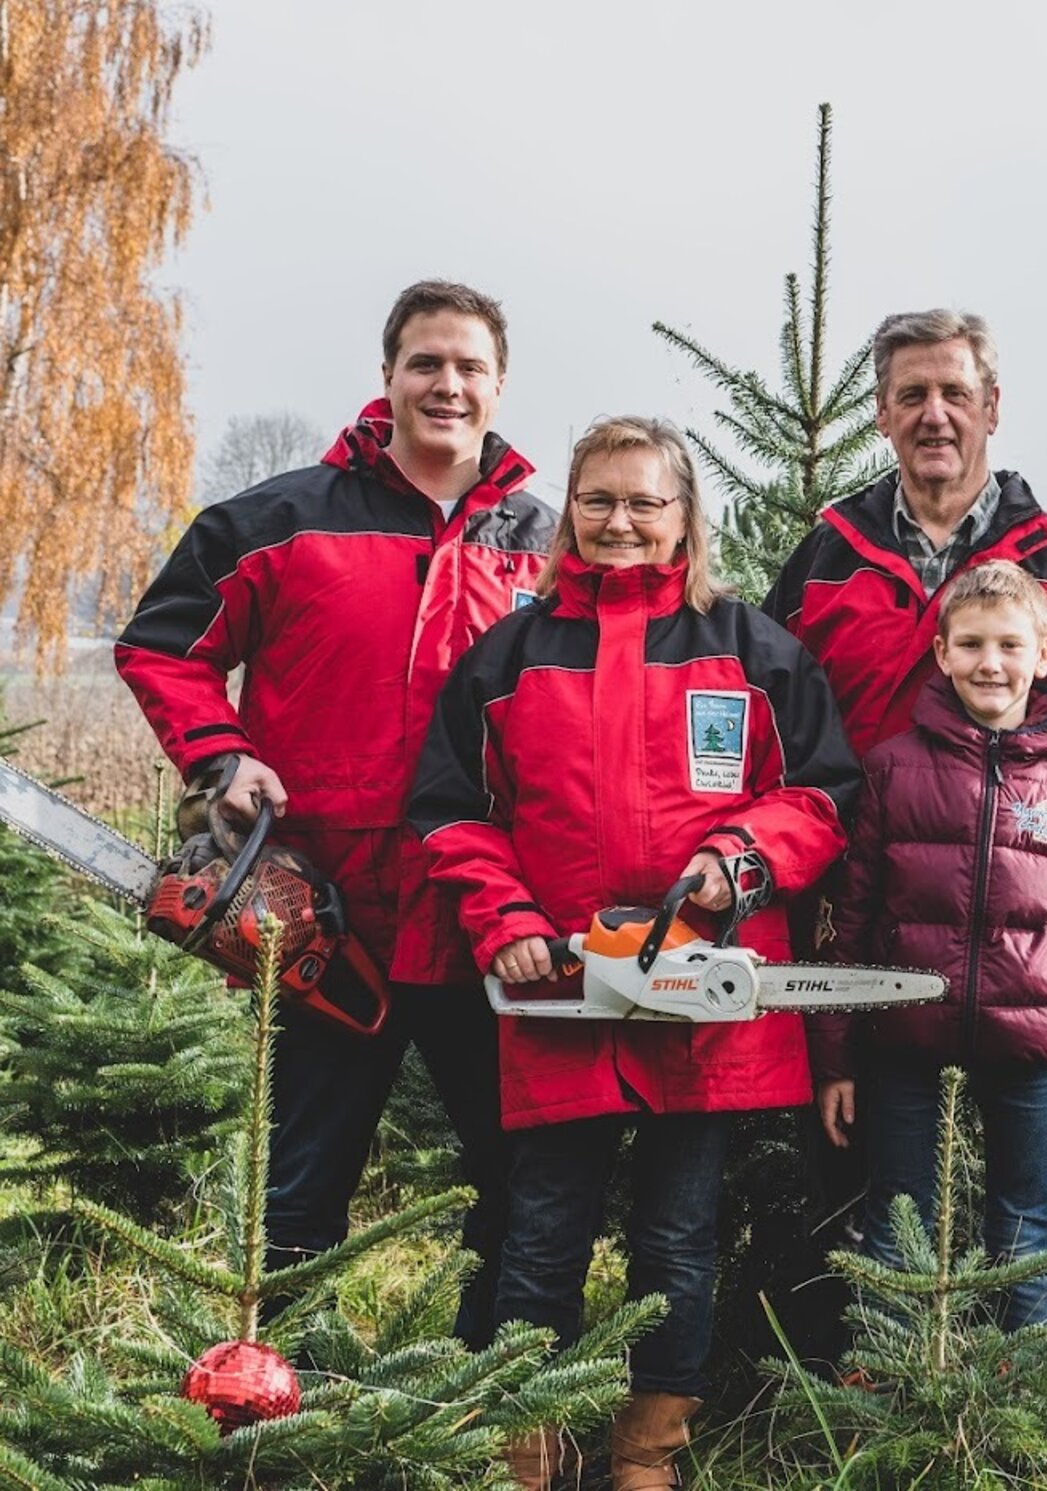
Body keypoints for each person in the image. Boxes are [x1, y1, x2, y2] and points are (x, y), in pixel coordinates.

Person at [407, 416, 858, 1490]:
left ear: (681, 518)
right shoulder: (510, 657)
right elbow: (449, 811)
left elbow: (821, 794)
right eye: (599, 501)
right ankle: (533, 1449)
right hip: (560, 989)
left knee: (677, 1237)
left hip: (698, 994)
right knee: (542, 1232)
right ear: (571, 513)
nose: (620, 522)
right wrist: (507, 919)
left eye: (643, 503)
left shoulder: (749, 649)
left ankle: (646, 1454)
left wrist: (737, 863)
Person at [115, 280, 550, 1347]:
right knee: (300, 1185)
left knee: (519, 1181)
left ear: (500, 383)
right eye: (425, 363)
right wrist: (220, 757)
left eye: (468, 367)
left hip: (481, 914)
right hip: (323, 916)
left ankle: (489, 1396)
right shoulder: (278, 521)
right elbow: (162, 647)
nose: (447, 385)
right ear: (390, 375)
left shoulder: (550, 541)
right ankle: (284, 1406)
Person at [765, 309, 1047, 1314]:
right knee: (851, 1171)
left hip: (1031, 947)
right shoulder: (827, 560)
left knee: (1040, 1196)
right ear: (880, 414)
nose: (934, 414)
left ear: (991, 407)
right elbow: (762, 738)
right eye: (911, 394)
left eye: (954, 392)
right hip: (863, 930)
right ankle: (847, 1388)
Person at [811, 560, 1047, 1329]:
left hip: (1035, 1051)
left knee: (1023, 1231)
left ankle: (1023, 1411)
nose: (992, 662)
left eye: (1011, 645)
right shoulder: (892, 768)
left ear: (1045, 653)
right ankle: (891, 1401)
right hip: (904, 1042)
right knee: (897, 1228)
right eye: (973, 643)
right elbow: (847, 920)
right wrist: (836, 1060)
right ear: (943, 653)